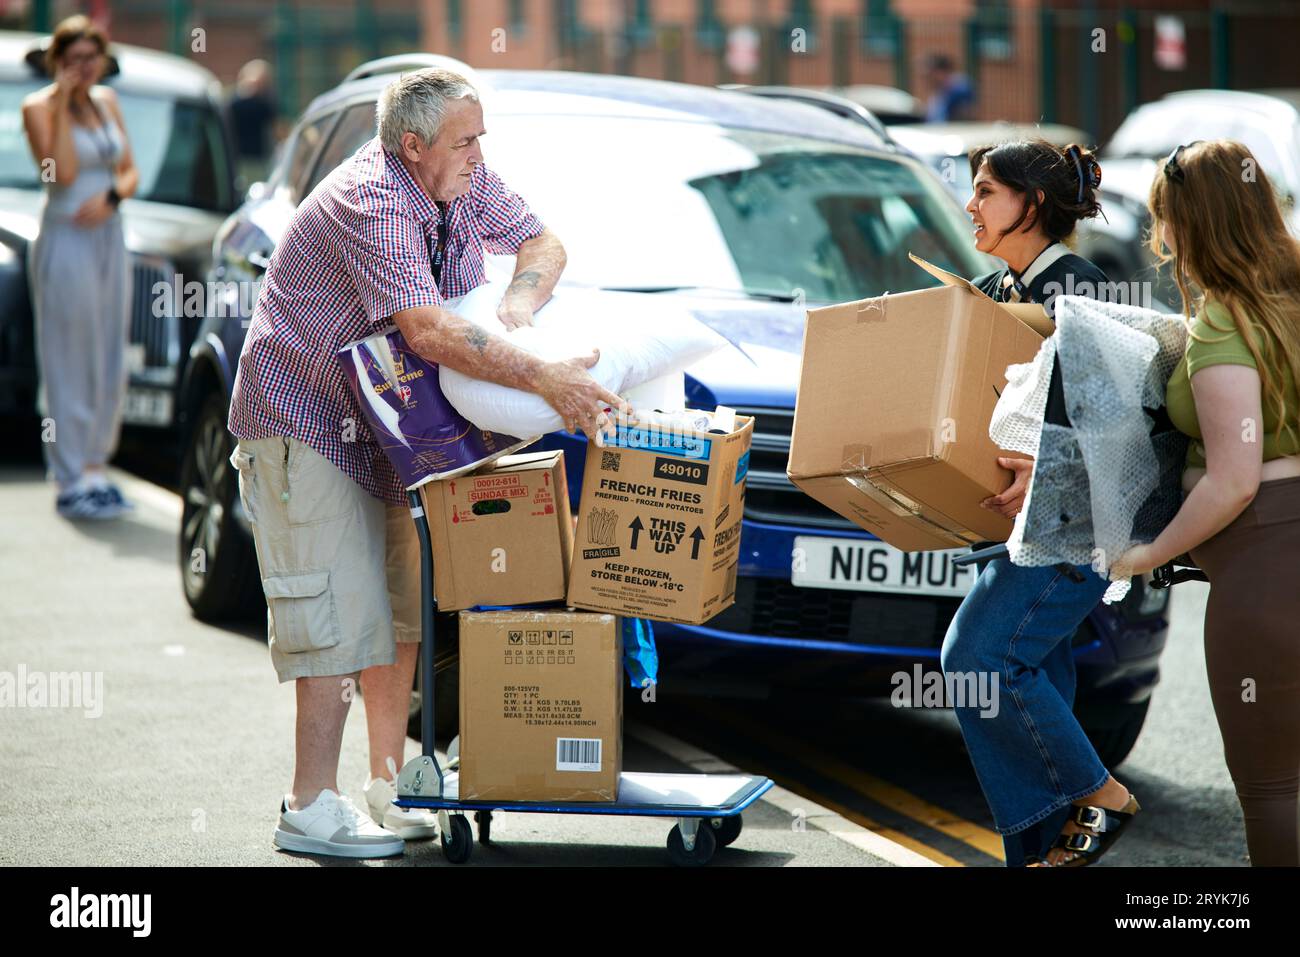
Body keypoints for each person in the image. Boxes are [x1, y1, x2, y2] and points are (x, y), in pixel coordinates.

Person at [227, 67, 628, 858]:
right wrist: (540, 372)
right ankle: (309, 805)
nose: (481, 152)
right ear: (413, 146)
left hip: (388, 431)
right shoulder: (372, 200)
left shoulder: (461, 175)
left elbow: (544, 242)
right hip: (303, 421)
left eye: (481, 135)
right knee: (338, 613)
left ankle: (385, 784)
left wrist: (518, 302)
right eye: (466, 139)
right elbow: (429, 332)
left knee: (400, 615)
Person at [940, 139, 1143, 867]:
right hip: (1010, 531)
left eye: (988, 191)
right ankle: (1033, 854)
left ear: (1034, 203)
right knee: (1024, 688)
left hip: (1069, 529)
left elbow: (1120, 423)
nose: (971, 204)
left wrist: (1046, 463)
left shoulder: (1084, 291)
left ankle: (1103, 794)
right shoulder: (995, 292)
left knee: (976, 658)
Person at [1112, 140, 1300, 866]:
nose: (1162, 240)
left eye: (1168, 221)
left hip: (1265, 578)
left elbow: (1234, 478)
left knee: (1273, 792)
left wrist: (1147, 554)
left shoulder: (1225, 320)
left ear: (1199, 221)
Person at [21, 15, 137, 520]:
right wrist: (65, 102)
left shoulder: (108, 102)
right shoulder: (39, 108)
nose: (85, 69)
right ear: (58, 62)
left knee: (108, 349)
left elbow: (130, 169)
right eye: (74, 61)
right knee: (69, 353)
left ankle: (95, 465)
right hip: (67, 237)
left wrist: (113, 195)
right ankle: (68, 475)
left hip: (108, 236)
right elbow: (61, 172)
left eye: (92, 59)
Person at [923, 53, 974, 122]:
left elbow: (964, 116)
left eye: (931, 73)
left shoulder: (959, 87)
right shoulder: (939, 90)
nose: (929, 78)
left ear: (940, 72)